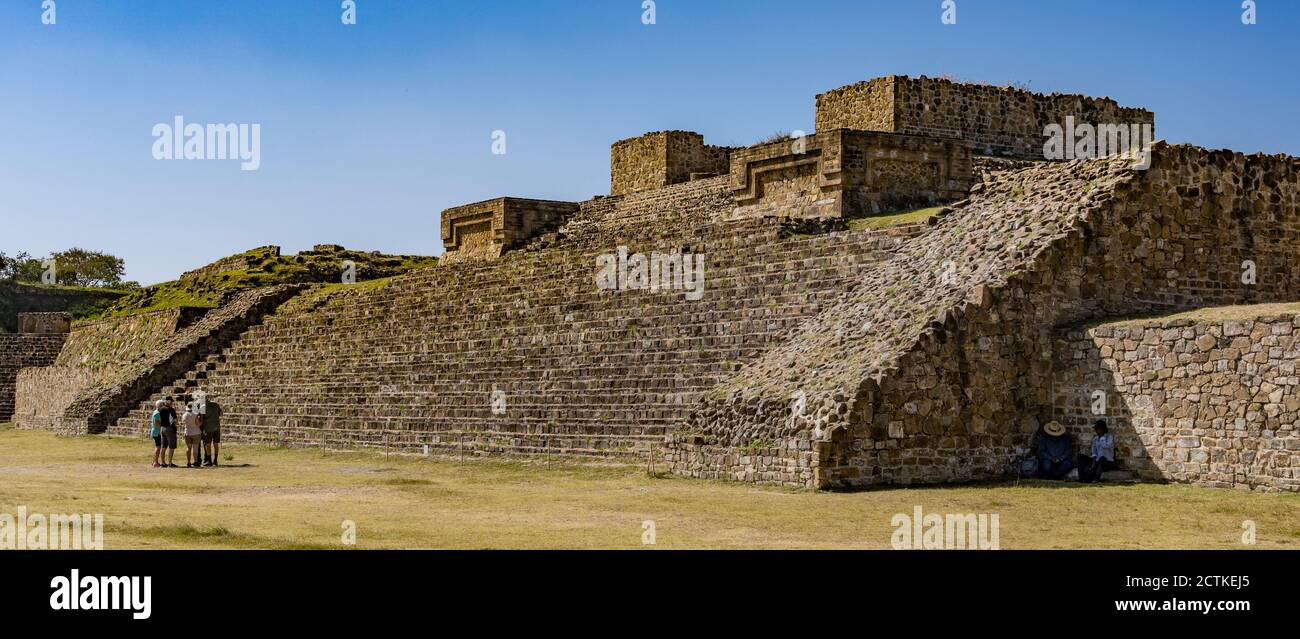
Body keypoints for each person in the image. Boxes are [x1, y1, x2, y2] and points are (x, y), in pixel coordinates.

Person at [201, 398, 223, 467]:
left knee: (208, 444)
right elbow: (221, 413)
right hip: (217, 427)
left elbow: (201, 419)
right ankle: (215, 460)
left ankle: (209, 460)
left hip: (208, 428)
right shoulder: (215, 404)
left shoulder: (202, 407)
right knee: (216, 443)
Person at [181, 403, 204, 468]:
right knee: (195, 447)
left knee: (188, 448)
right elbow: (198, 424)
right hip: (196, 432)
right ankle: (196, 461)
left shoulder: (184, 415)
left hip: (187, 432)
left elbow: (183, 423)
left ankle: (188, 462)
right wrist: (202, 421)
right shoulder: (195, 414)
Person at [159, 397, 179, 468]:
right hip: (169, 428)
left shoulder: (161, 409)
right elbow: (175, 420)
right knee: (171, 446)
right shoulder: (171, 410)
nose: (172, 403)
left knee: (163, 447)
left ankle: (163, 463)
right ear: (168, 401)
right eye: (171, 401)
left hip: (162, 428)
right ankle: (170, 463)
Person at [150, 400, 165, 467]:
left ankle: (154, 461)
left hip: (156, 432)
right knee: (158, 447)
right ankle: (155, 462)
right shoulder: (157, 413)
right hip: (157, 432)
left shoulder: (156, 412)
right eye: (162, 405)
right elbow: (157, 424)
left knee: (157, 447)